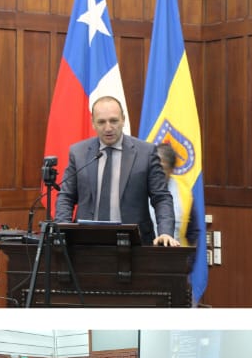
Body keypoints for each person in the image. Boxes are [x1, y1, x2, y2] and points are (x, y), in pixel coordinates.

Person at [53, 97, 178, 247]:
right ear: (93, 123)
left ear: (123, 120)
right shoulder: (78, 153)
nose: (108, 128)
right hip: (86, 244)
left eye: (113, 121)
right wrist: (63, 231)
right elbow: (66, 196)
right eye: (101, 122)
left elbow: (161, 198)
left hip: (134, 244)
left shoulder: (146, 152)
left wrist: (165, 232)